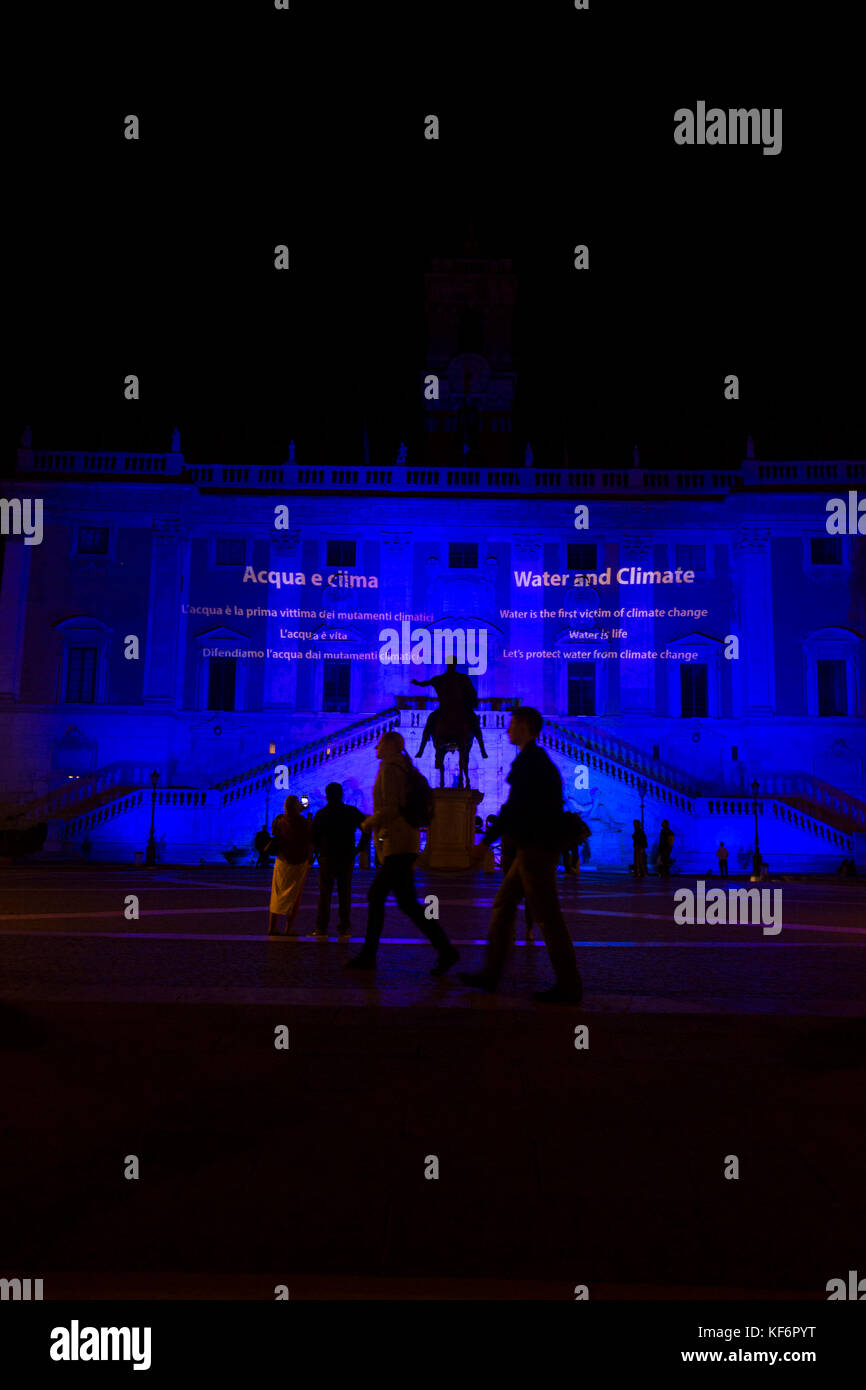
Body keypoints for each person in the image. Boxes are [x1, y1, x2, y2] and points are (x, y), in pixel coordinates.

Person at [459, 707, 583, 1005]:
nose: (507, 729)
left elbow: (513, 808)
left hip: (536, 848)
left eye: (512, 723)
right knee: (503, 905)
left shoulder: (531, 762)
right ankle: (491, 973)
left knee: (548, 916)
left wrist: (484, 843)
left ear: (526, 727)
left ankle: (569, 985)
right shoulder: (534, 760)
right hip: (533, 846)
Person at [345, 730, 459, 974]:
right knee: (407, 904)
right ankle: (446, 950)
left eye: (379, 745)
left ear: (387, 746)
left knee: (377, 897)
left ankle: (368, 955)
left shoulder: (390, 768)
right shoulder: (405, 767)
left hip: (397, 842)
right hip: (405, 841)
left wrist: (368, 823)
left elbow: (392, 807)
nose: (376, 749)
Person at [311, 783, 368, 939]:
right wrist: (360, 848)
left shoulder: (321, 814)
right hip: (346, 856)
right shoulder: (351, 812)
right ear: (341, 794)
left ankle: (321, 927)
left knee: (324, 894)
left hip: (327, 857)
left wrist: (317, 851)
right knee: (345, 894)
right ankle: (344, 927)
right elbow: (367, 827)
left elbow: (314, 837)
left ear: (327, 795)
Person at [412, 656, 488, 758]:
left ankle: (421, 750)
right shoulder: (462, 678)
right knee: (474, 723)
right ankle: (482, 749)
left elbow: (424, 684)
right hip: (459, 709)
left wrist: (416, 683)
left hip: (445, 709)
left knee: (430, 723)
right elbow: (472, 692)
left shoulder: (441, 678)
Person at [268, 795, 314, 936]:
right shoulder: (303, 822)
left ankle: (272, 927)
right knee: (295, 895)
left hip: (282, 861)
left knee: (276, 893)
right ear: (296, 807)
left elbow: (275, 831)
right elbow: (309, 840)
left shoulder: (279, 820)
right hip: (299, 861)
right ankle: (288, 928)